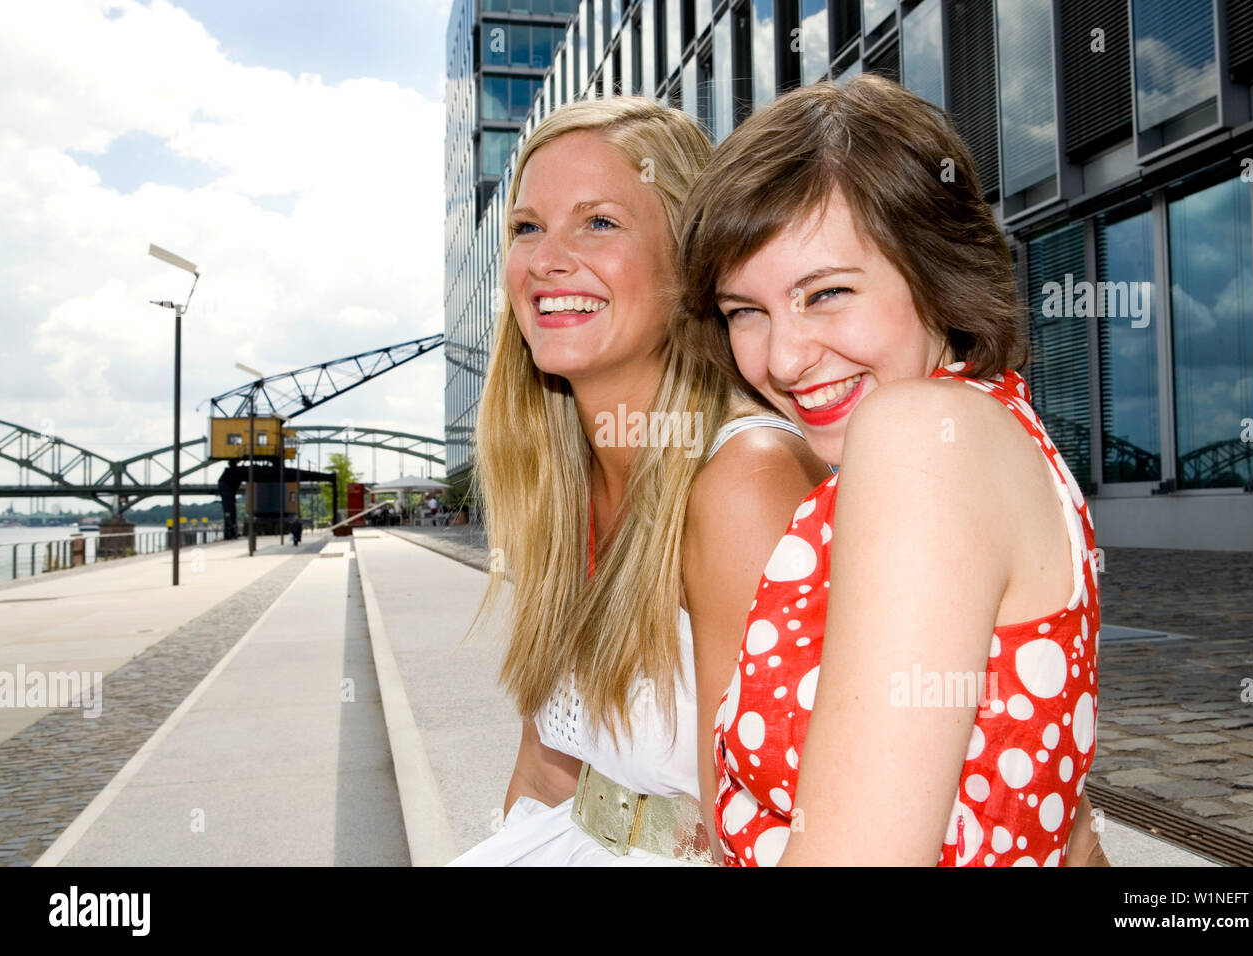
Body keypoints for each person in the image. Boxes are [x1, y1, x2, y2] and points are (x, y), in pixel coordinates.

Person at [675, 74, 1105, 866]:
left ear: (939, 275)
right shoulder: (982, 436)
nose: (784, 357)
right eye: (747, 311)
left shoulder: (920, 438)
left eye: (827, 293)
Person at [448, 97, 826, 866]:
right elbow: (547, 769)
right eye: (527, 227)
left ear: (688, 261)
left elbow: (766, 826)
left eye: (599, 223)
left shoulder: (743, 480)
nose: (547, 260)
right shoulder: (556, 481)